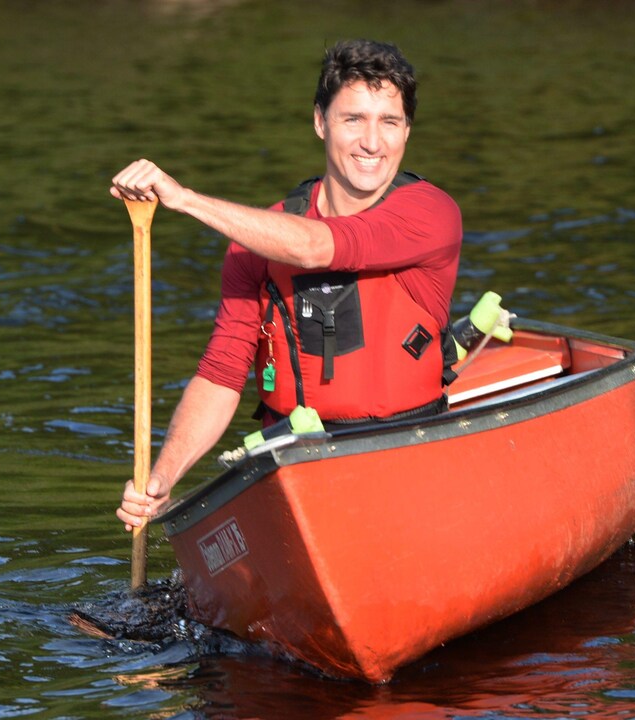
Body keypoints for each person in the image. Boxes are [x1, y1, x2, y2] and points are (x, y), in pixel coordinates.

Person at [112, 39, 462, 532]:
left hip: (405, 448)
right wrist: (162, 478)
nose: (372, 142)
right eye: (353, 119)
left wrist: (185, 199)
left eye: (390, 122)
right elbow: (222, 373)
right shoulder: (255, 239)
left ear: (407, 130)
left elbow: (319, 248)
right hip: (295, 464)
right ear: (320, 121)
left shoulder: (430, 214)